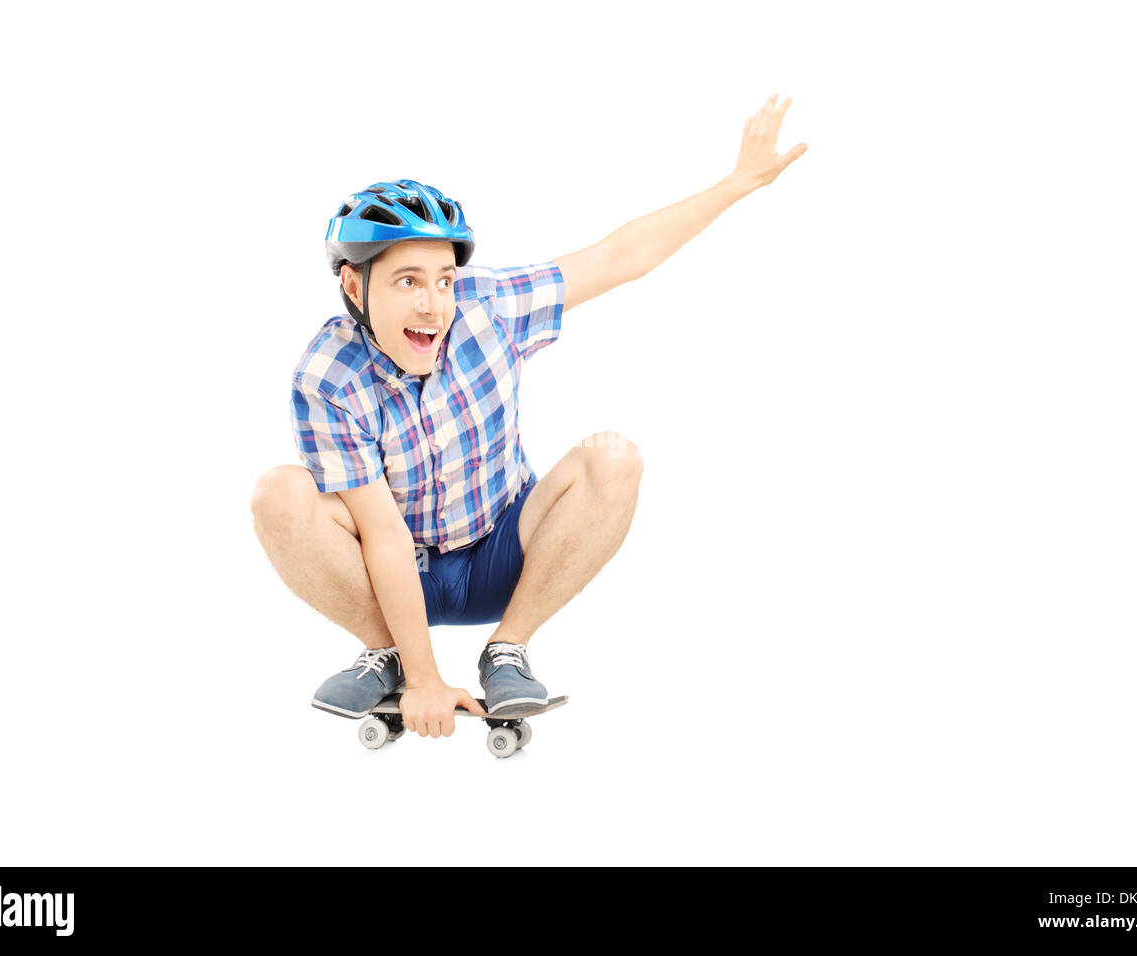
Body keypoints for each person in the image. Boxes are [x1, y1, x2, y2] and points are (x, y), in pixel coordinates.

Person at [250, 96, 806, 742]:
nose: (433, 305)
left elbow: (619, 257)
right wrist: (426, 679)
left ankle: (507, 650)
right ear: (354, 287)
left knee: (613, 455)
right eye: (407, 282)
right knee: (280, 493)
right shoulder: (328, 375)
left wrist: (737, 183)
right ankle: (388, 655)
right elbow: (382, 534)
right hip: (393, 570)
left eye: (443, 279)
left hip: (501, 554)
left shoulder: (488, 307)